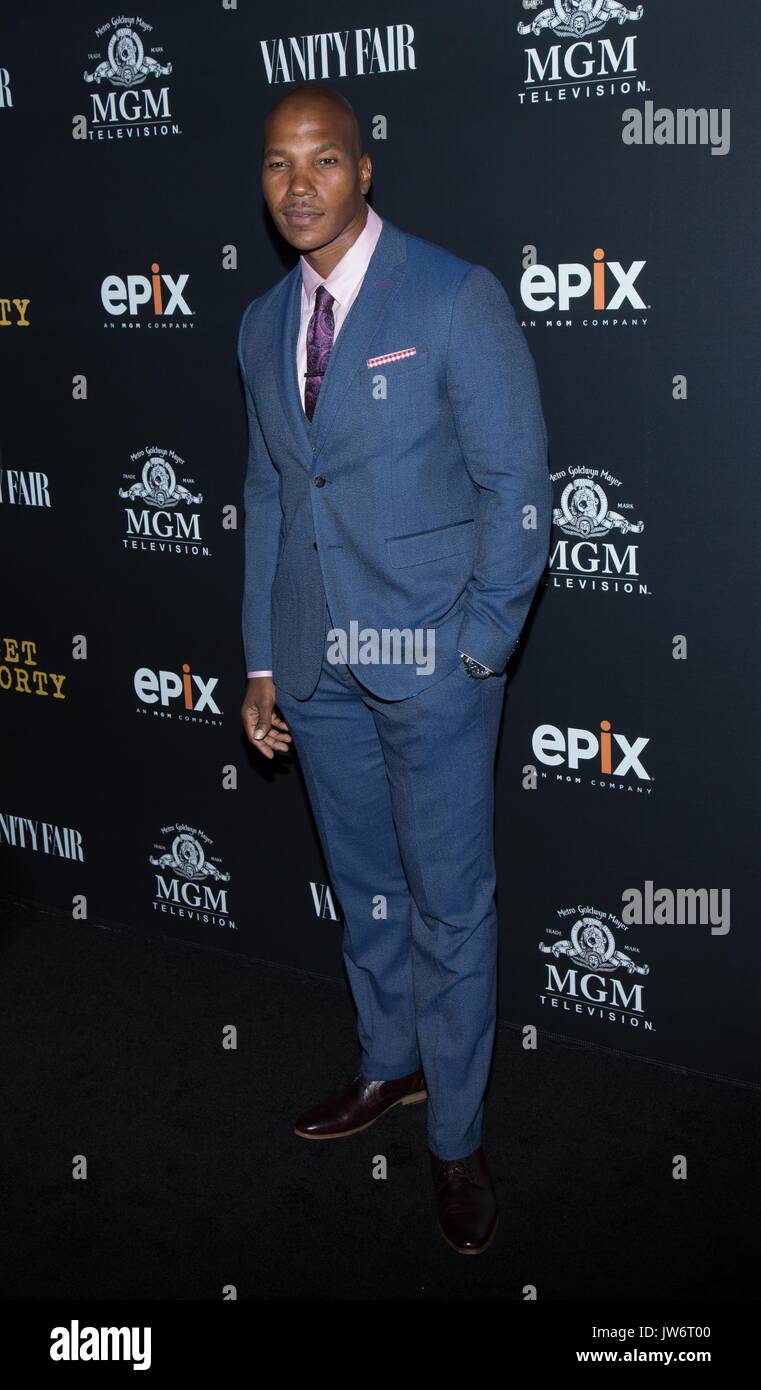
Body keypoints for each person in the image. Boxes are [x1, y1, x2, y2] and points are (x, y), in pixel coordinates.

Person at [238, 82, 551, 1255]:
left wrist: (475, 651)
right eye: (277, 165)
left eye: (322, 160)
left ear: (363, 171)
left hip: (432, 666)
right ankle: (389, 1065)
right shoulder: (261, 326)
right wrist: (265, 658)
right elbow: (272, 492)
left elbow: (518, 494)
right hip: (316, 669)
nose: (299, 185)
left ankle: (457, 1138)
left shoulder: (454, 296)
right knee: (364, 890)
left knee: (449, 909)